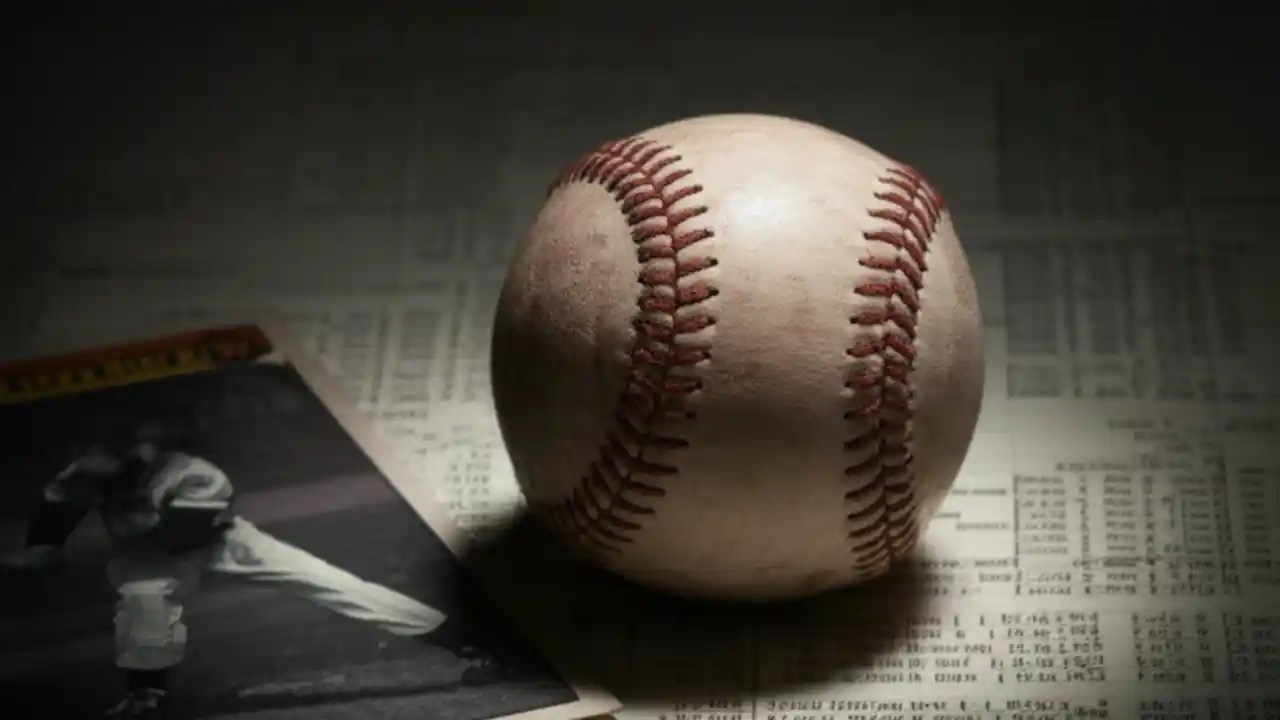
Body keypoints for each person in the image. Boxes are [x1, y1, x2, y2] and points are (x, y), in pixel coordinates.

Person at [2, 420, 512, 719]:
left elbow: (181, 534)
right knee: (144, 600)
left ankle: (467, 641)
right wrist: (44, 547)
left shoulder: (193, 475)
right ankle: (145, 696)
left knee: (333, 585)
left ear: (140, 455)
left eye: (107, 456)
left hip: (225, 543)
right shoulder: (86, 473)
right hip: (157, 550)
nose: (91, 462)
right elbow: (58, 510)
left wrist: (94, 555)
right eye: (91, 455)